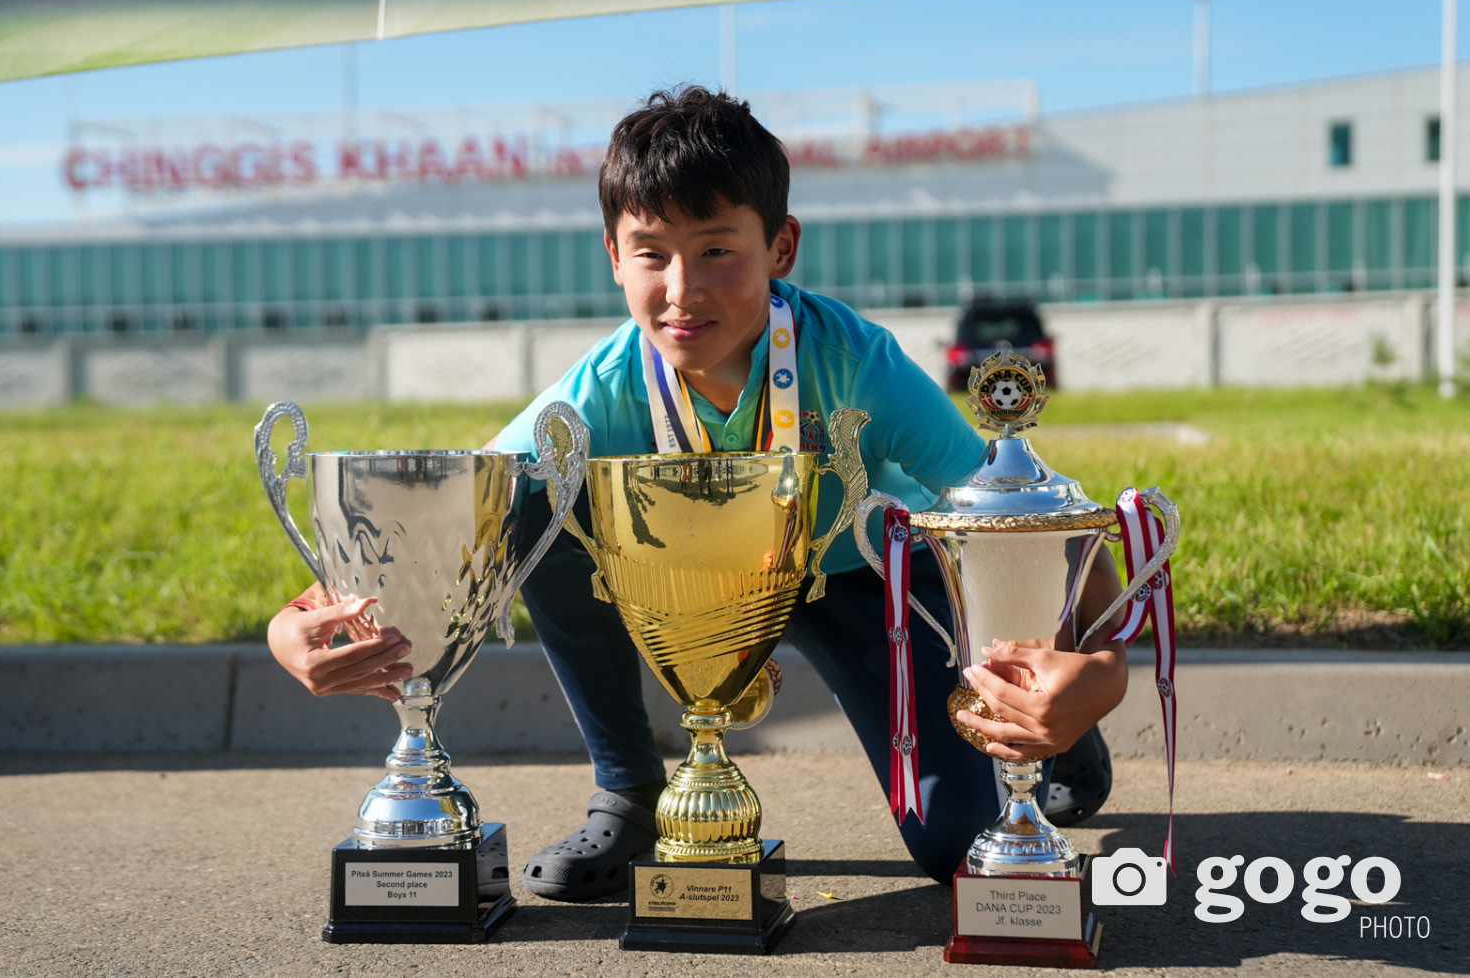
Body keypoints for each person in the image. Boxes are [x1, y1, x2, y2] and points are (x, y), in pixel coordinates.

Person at [267, 86, 1127, 902]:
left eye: (718, 249)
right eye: (652, 253)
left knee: (954, 851)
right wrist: (295, 626)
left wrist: (1100, 671)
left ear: (781, 247)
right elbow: (452, 519)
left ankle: (1050, 732)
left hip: (857, 576)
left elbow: (1029, 516)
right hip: (697, 597)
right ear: (613, 255)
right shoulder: (599, 393)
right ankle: (629, 792)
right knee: (531, 504)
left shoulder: (856, 365)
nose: (683, 290)